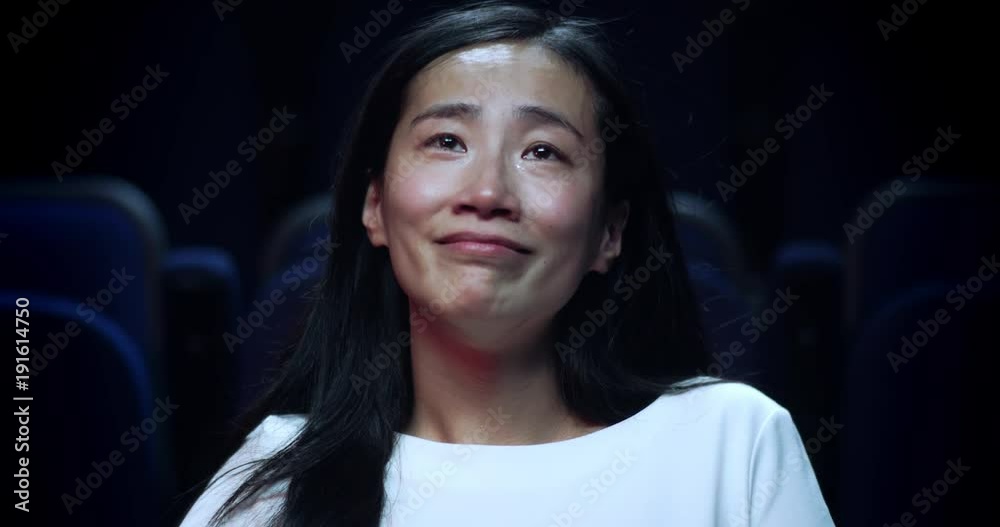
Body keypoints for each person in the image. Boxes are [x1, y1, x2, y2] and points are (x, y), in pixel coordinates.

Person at [180, 2, 835, 525]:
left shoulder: (729, 442)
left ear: (610, 231)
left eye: (543, 151)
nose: (488, 193)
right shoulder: (273, 479)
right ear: (374, 204)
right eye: (446, 140)